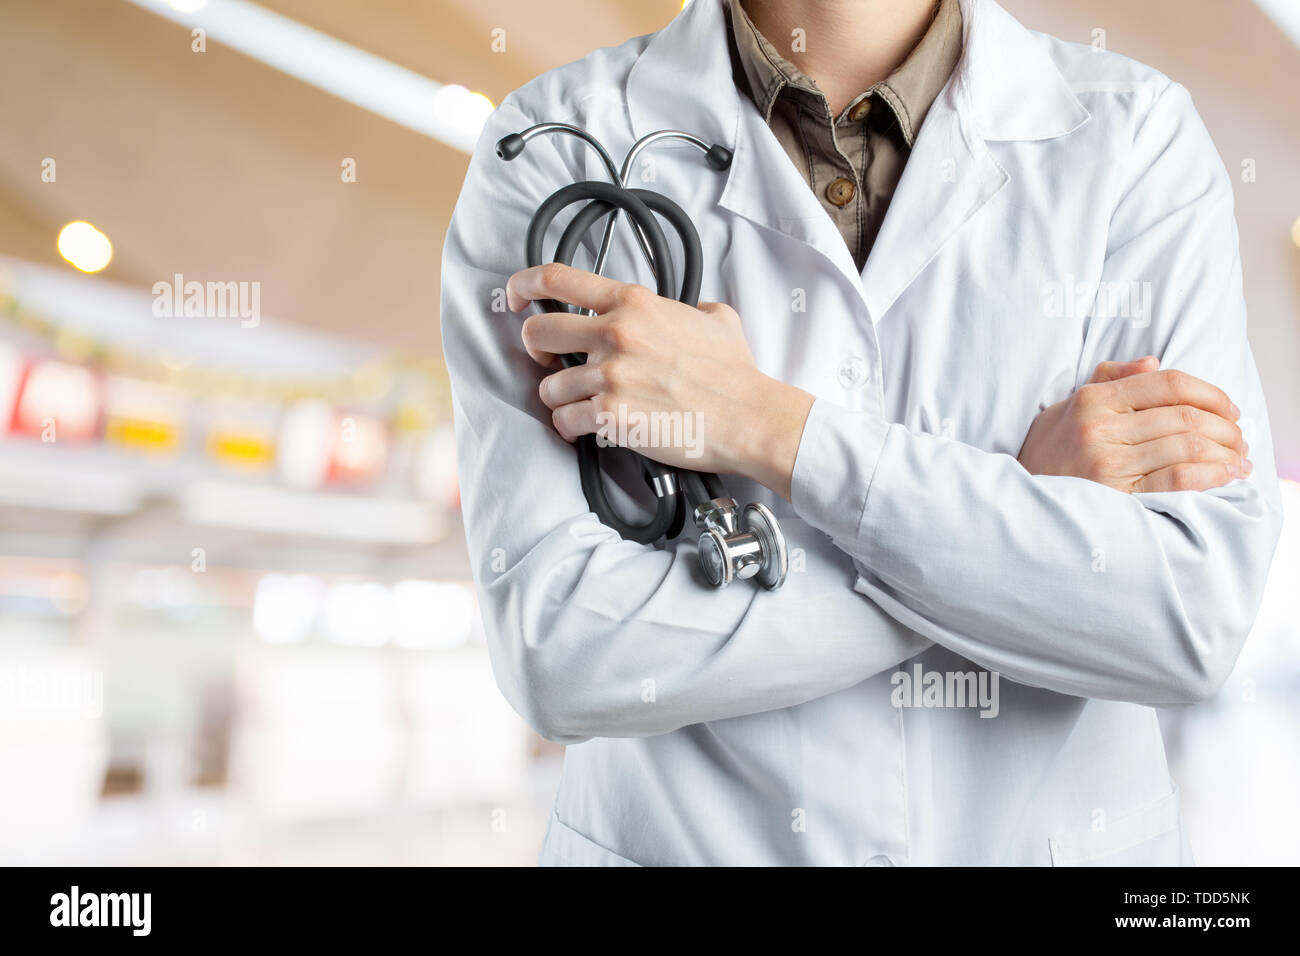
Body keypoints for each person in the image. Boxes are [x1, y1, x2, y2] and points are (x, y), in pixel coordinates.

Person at [440, 0, 1282, 865]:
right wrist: (1009, 516)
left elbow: (1184, 620)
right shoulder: (552, 147)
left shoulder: (1135, 138)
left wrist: (760, 422)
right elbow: (564, 648)